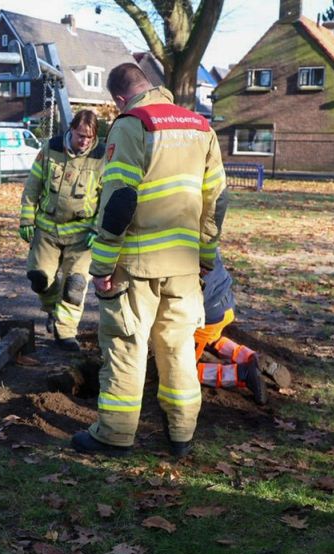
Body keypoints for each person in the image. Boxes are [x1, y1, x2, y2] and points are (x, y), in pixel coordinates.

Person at [70, 63, 225, 459]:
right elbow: (216, 200)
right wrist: (206, 256)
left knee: (127, 345)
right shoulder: (200, 126)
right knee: (176, 347)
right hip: (185, 264)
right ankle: (181, 434)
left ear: (120, 98)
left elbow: (120, 200)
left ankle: (115, 434)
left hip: (136, 265)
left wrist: (102, 267)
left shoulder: (131, 124)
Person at [19, 110, 106, 350]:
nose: (85, 142)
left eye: (90, 137)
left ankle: (65, 332)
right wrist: (27, 219)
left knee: (75, 284)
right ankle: (52, 310)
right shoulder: (51, 149)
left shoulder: (102, 157)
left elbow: (107, 197)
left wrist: (97, 229)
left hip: (82, 235)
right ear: (71, 129)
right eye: (81, 136)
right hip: (47, 230)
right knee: (39, 279)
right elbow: (33, 185)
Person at [194, 245, 292, 403]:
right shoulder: (202, 229)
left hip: (207, 314)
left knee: (178, 371)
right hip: (225, 302)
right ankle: (253, 357)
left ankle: (242, 374)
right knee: (212, 338)